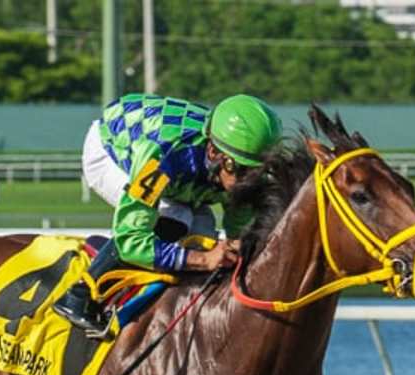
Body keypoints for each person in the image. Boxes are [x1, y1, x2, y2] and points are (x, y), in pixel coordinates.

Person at [52, 92, 284, 336]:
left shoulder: (233, 163)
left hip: (181, 171)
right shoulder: (161, 154)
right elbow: (130, 239)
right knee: (177, 218)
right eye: (242, 170)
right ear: (214, 153)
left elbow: (240, 228)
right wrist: (204, 259)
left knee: (203, 228)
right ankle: (79, 294)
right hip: (111, 151)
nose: (250, 182)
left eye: (259, 172)